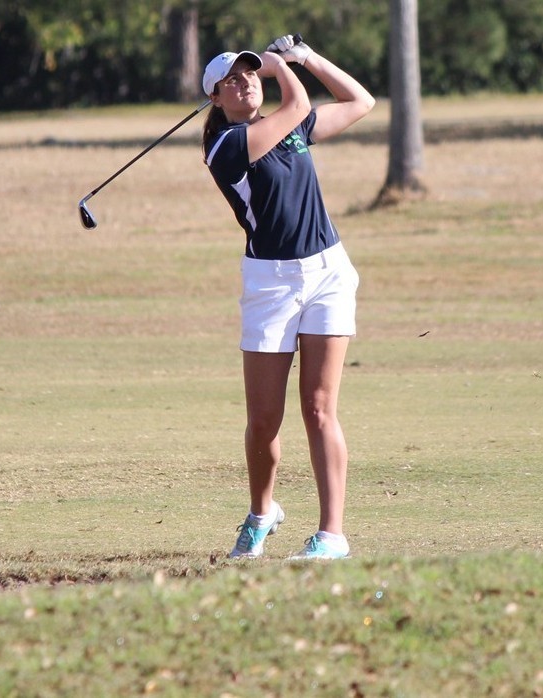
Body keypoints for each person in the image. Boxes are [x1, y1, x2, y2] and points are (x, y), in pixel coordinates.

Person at [200, 35, 375, 560]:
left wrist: (310, 58)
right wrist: (280, 66)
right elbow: (297, 103)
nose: (246, 80)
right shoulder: (225, 148)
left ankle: (332, 536)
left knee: (320, 408)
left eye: (250, 72)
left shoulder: (291, 129)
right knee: (263, 420)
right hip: (270, 283)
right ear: (216, 99)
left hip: (327, 272)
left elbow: (361, 102)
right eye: (232, 79)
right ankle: (262, 513)